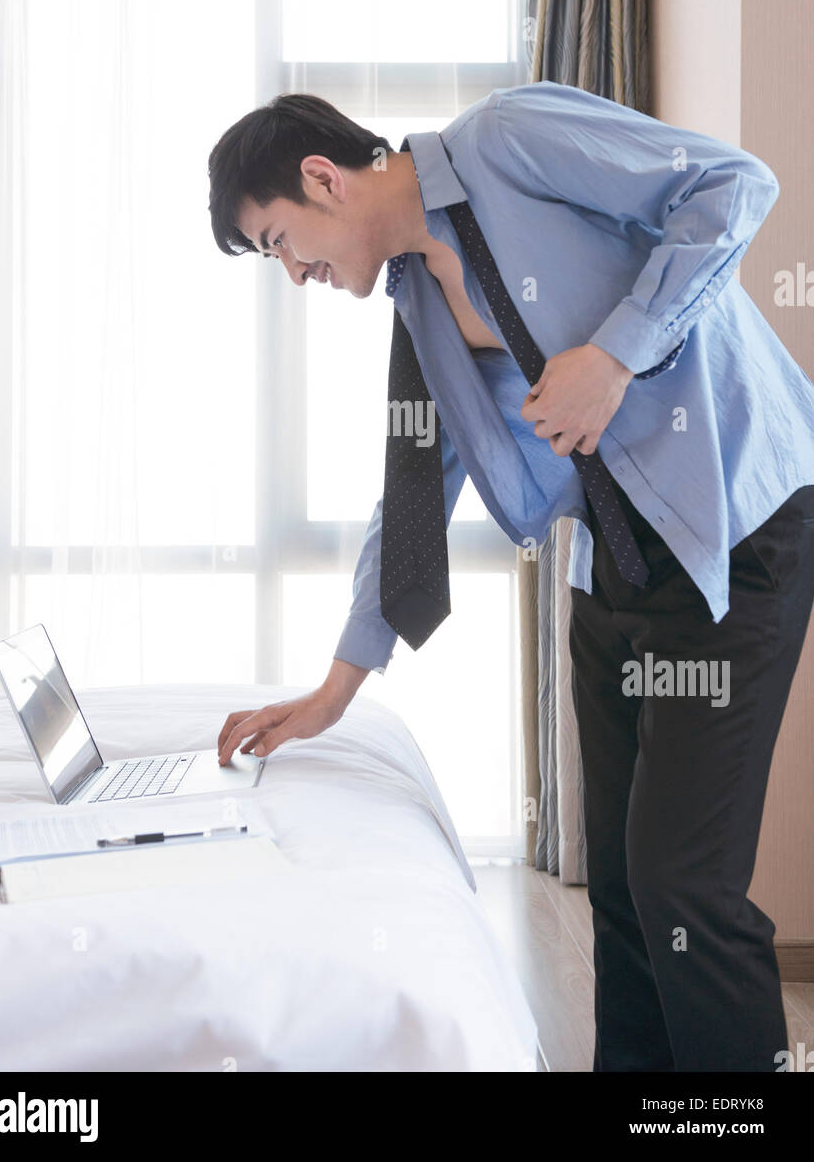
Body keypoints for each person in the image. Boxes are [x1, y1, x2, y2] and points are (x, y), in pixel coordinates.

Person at [207, 83, 814, 1071]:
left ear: (322, 178)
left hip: (736, 528)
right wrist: (333, 691)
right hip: (613, 562)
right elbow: (410, 498)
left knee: (681, 887)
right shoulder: (417, 298)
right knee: (619, 885)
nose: (294, 274)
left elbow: (732, 186)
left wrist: (615, 357)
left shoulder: (509, 140)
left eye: (277, 240)